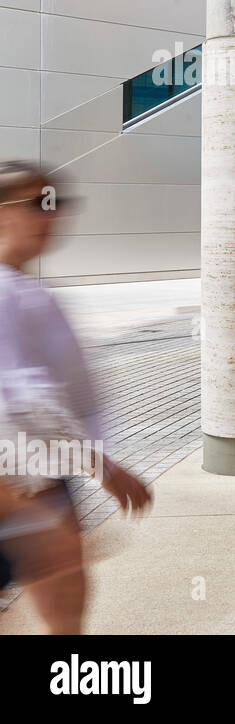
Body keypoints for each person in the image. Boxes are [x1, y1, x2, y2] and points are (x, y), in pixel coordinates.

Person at [0, 161, 152, 633]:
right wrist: (104, 468)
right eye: (39, 204)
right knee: (65, 612)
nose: (52, 216)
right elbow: (24, 399)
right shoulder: (9, 294)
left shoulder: (27, 291)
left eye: (57, 203)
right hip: (20, 486)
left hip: (38, 482)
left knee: (66, 610)